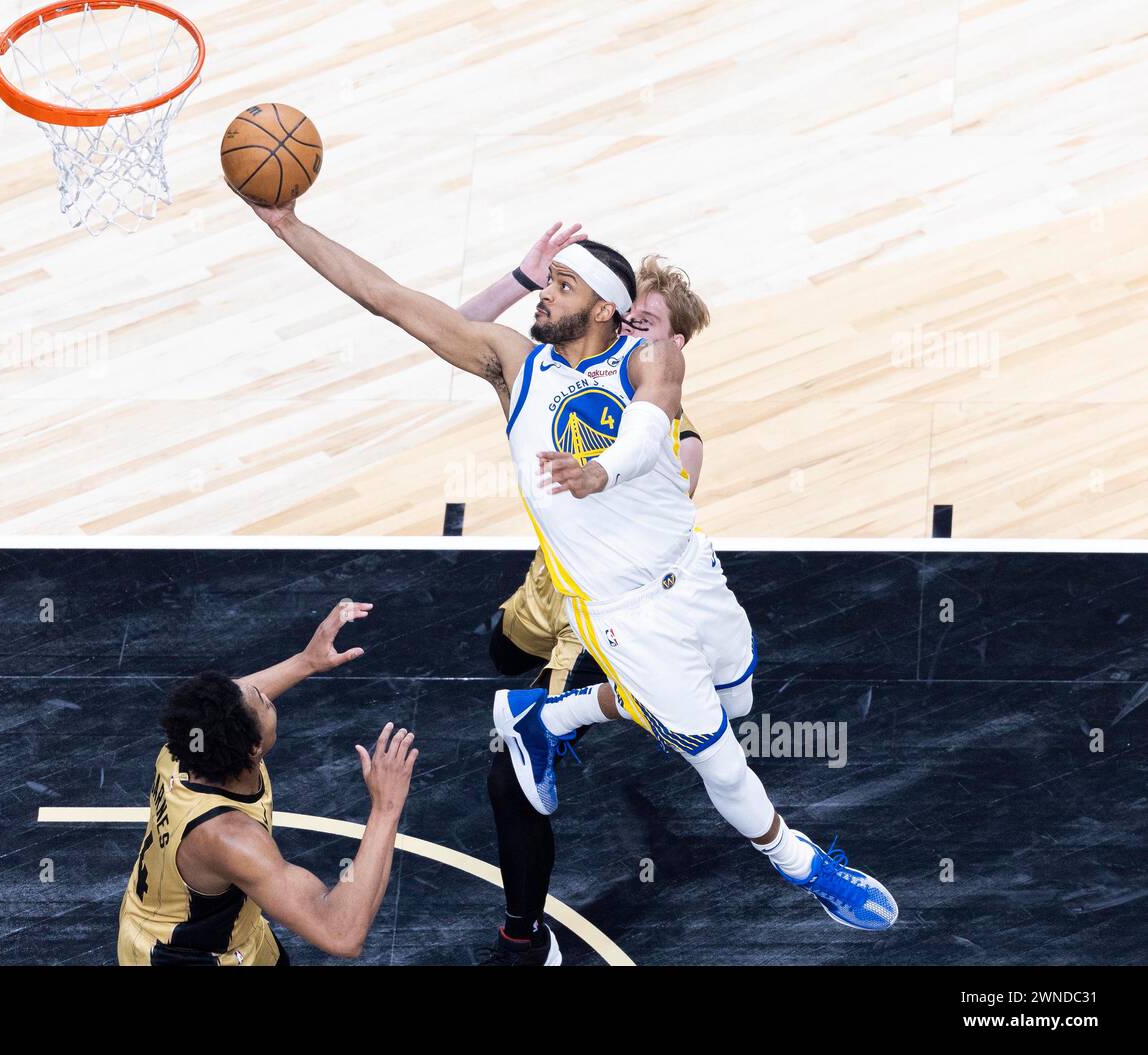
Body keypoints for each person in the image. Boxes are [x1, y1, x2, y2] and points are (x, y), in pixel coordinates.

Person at [233, 191, 897, 970]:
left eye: (563, 285)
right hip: (624, 618)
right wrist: (291, 226)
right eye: (547, 283)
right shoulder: (513, 365)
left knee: (740, 700)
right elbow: (390, 301)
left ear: (609, 309)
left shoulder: (650, 355)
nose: (545, 292)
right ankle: (801, 861)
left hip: (698, 580)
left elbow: (652, 425)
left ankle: (550, 718)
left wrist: (599, 471)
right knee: (721, 761)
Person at [459, 229, 720, 962]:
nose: (632, 330)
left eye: (647, 326)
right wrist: (522, 276)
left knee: (507, 777)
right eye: (629, 315)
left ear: (667, 348)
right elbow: (464, 324)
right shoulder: (560, 365)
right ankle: (566, 696)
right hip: (542, 587)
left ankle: (524, 934)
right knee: (502, 646)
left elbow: (670, 474)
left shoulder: (662, 415)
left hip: (599, 603)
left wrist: (611, 479)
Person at [116, 600, 417, 965]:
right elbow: (342, 934)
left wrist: (307, 660)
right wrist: (386, 808)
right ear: (255, 747)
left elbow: (229, 701)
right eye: (262, 700)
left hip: (222, 929)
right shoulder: (230, 840)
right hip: (184, 956)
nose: (259, 689)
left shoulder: (185, 750)